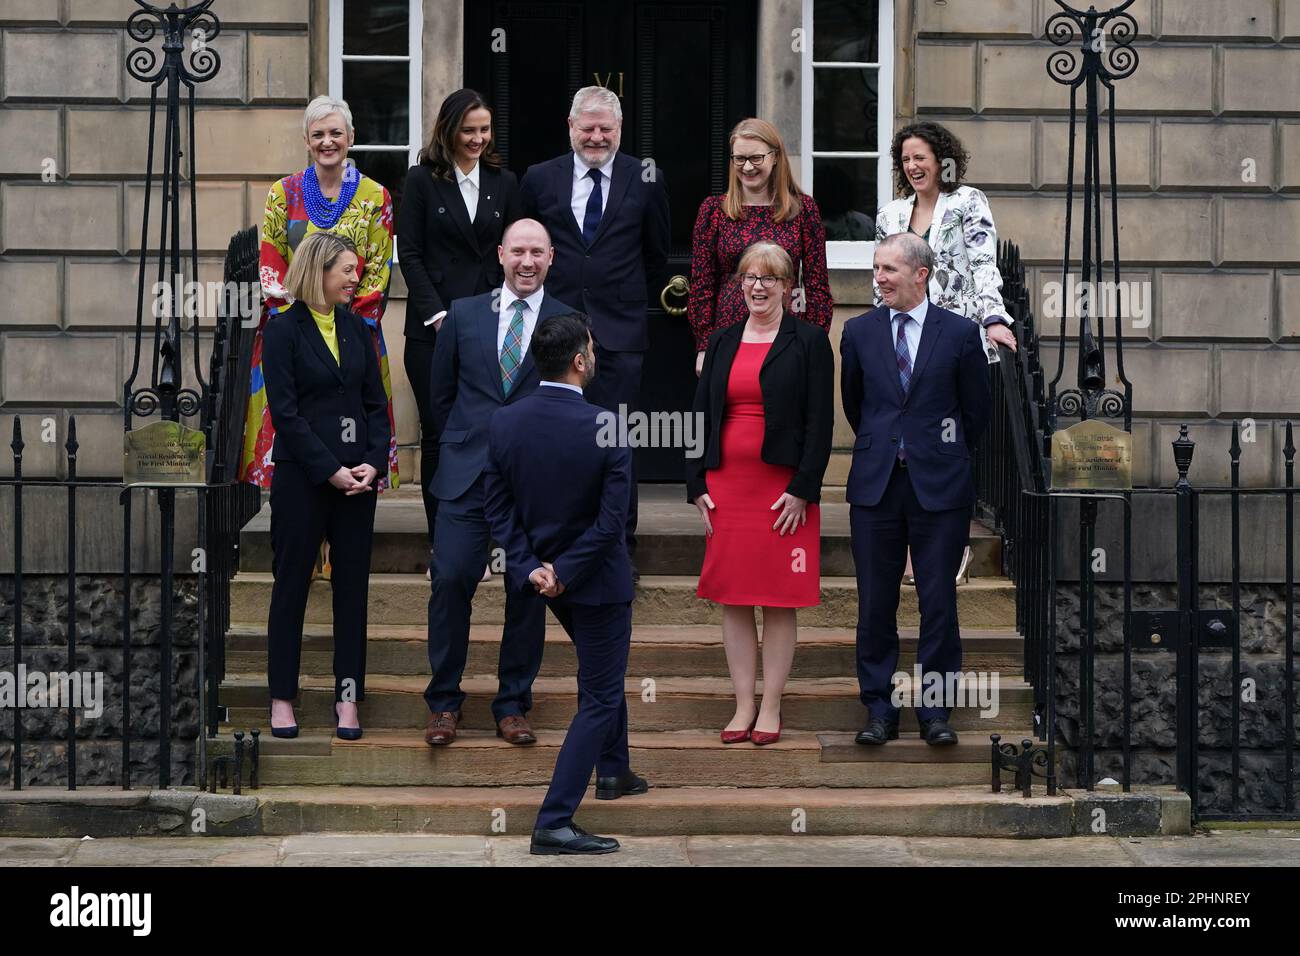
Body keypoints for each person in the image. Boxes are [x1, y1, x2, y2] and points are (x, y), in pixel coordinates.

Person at [484, 313, 645, 856]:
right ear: (580, 360)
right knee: (599, 694)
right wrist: (566, 572)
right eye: (592, 349)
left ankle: (615, 770)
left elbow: (498, 508)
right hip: (595, 580)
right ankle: (554, 820)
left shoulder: (504, 422)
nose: (594, 356)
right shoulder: (609, 425)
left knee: (604, 672)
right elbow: (612, 523)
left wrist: (533, 568)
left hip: (545, 577)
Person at [423, 218, 576, 747]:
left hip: (534, 485)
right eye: (518, 252)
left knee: (526, 592)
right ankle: (443, 703)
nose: (527, 262)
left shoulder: (568, 320)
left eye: (537, 252)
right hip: (466, 478)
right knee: (450, 582)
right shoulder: (464, 315)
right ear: (501, 255)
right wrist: (466, 444)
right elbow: (440, 398)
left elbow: (575, 401)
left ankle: (513, 704)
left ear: (551, 257)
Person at [840, 233, 991, 748]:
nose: (879, 278)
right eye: (876, 268)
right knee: (875, 602)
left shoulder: (961, 333)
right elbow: (856, 406)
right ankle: (879, 709)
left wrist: (936, 450)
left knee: (938, 601)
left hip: (939, 486)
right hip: (877, 485)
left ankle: (935, 712)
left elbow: (976, 414)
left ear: (921, 274)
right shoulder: (858, 332)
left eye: (889, 269)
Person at [519, 85, 671, 576]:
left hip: (620, 335)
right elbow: (527, 245)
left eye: (606, 127)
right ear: (571, 128)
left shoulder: (645, 178)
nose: (597, 136)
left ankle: (619, 550)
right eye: (588, 127)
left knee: (617, 442)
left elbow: (656, 254)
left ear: (620, 129)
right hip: (555, 331)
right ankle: (555, 546)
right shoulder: (540, 178)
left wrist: (620, 296)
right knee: (556, 442)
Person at [686, 243, 833, 745]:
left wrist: (803, 489)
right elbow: (700, 416)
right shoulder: (722, 340)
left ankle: (771, 705)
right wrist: (695, 484)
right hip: (727, 485)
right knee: (733, 596)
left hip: (783, 490)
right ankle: (742, 703)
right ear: (739, 284)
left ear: (788, 287)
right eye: (750, 277)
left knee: (777, 597)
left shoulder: (810, 341)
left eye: (770, 278)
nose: (758, 286)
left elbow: (820, 423)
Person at [260, 233, 390, 741]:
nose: (356, 278)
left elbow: (377, 406)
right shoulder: (282, 331)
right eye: (347, 270)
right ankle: (282, 697)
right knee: (291, 585)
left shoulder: (359, 329)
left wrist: (372, 465)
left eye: (356, 270)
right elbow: (285, 414)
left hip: (357, 484)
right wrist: (329, 468)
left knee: (352, 591)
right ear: (319, 270)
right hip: (303, 479)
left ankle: (348, 700)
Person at [875, 121, 1014, 584]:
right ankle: (917, 552)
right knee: (909, 446)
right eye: (906, 159)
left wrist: (994, 318)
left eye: (921, 157)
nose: (913, 166)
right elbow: (884, 282)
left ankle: (952, 549)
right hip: (904, 345)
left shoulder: (967, 202)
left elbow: (982, 263)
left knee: (952, 446)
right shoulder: (891, 215)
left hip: (953, 341)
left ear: (942, 160)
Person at [242, 95, 397, 498]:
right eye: (318, 135)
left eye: (335, 133)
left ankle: (352, 491)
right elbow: (271, 262)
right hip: (293, 331)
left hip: (355, 331)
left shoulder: (375, 196)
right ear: (307, 141)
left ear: (350, 137)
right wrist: (299, 320)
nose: (328, 142)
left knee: (351, 421)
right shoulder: (283, 192)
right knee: (297, 423)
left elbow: (378, 270)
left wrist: (349, 324)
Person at [398, 89, 523, 564]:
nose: (477, 138)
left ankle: (493, 541)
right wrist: (438, 312)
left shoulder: (504, 181)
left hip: (491, 327)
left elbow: (508, 253)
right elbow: (408, 252)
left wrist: (497, 312)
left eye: (484, 130)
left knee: (492, 433)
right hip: (432, 329)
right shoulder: (420, 181)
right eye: (468, 130)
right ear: (448, 130)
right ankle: (443, 545)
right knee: (441, 434)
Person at [687, 119, 832, 374]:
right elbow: (702, 284)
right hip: (728, 334)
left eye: (756, 158)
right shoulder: (713, 211)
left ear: (775, 157)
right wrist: (704, 344)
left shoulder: (803, 210)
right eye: (739, 159)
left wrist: (814, 340)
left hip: (788, 334)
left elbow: (817, 284)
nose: (747, 167)